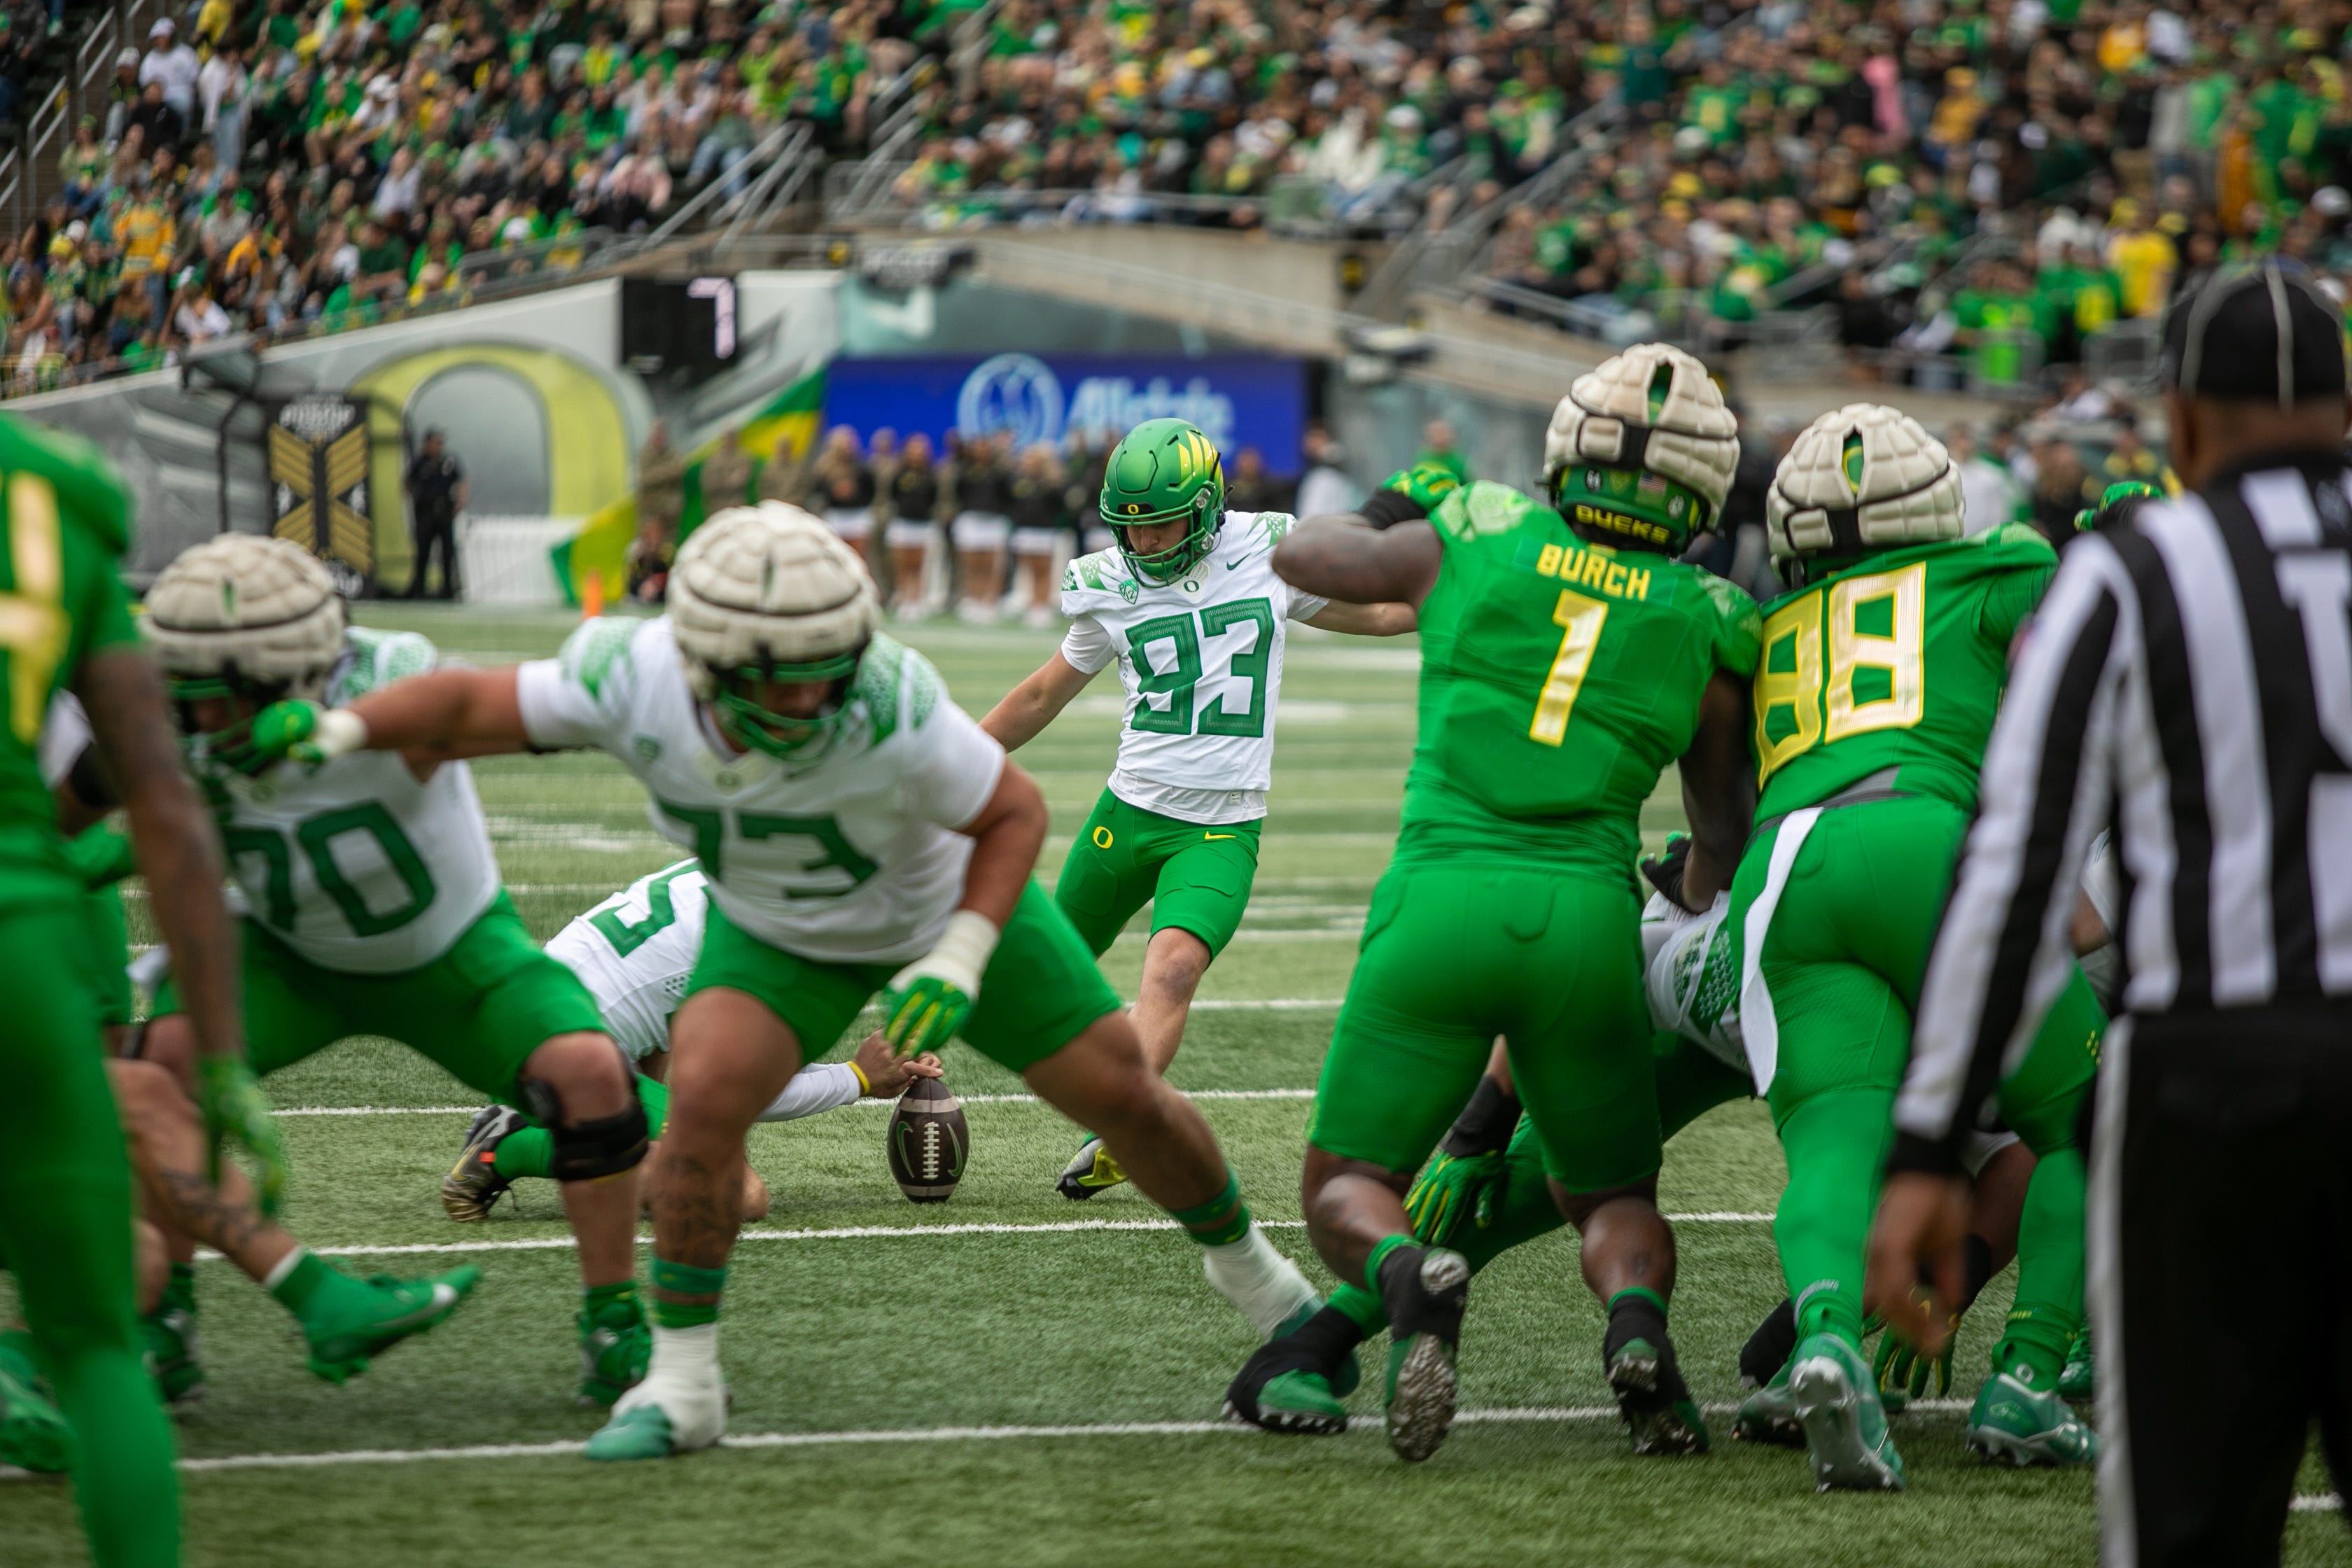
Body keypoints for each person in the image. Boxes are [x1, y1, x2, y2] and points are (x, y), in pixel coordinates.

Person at [233, 503, 1334, 1463]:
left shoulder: (889, 691)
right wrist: (341, 727)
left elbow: (1011, 811)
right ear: (703, 663)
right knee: (702, 1119)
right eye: (782, 674)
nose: (815, 693)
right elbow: (469, 706)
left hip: (930, 897)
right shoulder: (632, 676)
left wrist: (958, 956)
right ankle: (685, 1381)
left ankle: (1262, 1286)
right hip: (774, 924)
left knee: (1122, 1096)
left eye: (830, 663)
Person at [1871, 260, 2352, 1567]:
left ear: (2183, 420)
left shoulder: (2135, 568)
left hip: (2209, 1070)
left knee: (2191, 1522)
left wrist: (1926, 1144)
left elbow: (2015, 869)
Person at [1252, 344, 1760, 1462]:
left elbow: (1306, 553)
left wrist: (1400, 499)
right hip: (1583, 918)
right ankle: (1642, 1342)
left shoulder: (1474, 527)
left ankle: (1406, 1276)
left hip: (1436, 896)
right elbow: (1722, 830)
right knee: (1616, 1195)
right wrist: (1690, 893)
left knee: (1346, 1184)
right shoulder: (1712, 613)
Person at [136, 536, 654, 1410]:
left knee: (592, 1072)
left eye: (228, 696)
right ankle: (163, 1316)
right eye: (191, 695)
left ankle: (614, 1316)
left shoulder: (388, 676)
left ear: (299, 673)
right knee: (160, 1069)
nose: (208, 718)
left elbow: (507, 707)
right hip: (286, 951)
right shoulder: (163, 698)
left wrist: (350, 731)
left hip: (452, 953)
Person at [1724, 404, 2102, 1492]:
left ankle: (1830, 1339)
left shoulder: (1771, 618)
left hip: (1784, 867)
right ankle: (2028, 1377)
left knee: (1836, 1141)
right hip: (1927, 841)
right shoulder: (1994, 566)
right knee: (2086, 1120)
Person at [980, 419, 1413, 1203]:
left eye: (1163, 524)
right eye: (1132, 529)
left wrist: (1478, 595)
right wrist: (957, 761)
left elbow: (1381, 613)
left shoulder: (1269, 553)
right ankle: (909, 1072)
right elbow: (1043, 692)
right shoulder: (1112, 584)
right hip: (1129, 811)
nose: (1145, 545)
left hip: (1221, 824)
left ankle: (1123, 1128)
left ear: (1210, 505)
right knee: (1032, 975)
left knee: (1174, 967)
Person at [0, 412, 281, 1568]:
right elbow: (162, 806)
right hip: (19, 936)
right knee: (97, 1346)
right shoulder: (48, 496)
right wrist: (217, 1055)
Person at [443, 858, 947, 1225]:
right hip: (560, 1047)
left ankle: (568, 1122)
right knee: (741, 1197)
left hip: (540, 1017)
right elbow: (735, 1093)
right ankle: (507, 1147)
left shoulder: (752, 867)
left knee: (667, 1036)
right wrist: (856, 1077)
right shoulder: (780, 936)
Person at [1005, 442, 1070, 627]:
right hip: (1025, 530)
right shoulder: (1019, 481)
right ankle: (1032, 604)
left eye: (1032, 459)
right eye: (1026, 459)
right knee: (1028, 570)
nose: (1027, 463)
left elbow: (1060, 507)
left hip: (1044, 532)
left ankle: (1042, 607)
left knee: (1043, 570)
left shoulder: (1052, 484)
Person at [951, 431, 1012, 621]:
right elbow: (959, 493)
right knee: (971, 564)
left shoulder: (999, 472)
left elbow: (1006, 495)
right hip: (971, 519)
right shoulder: (965, 471)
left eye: (984, 448)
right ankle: (972, 600)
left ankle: (989, 601)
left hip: (993, 521)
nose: (981, 452)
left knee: (991, 564)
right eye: (977, 448)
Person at [883, 431, 941, 618]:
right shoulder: (899, 473)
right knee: (903, 565)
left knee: (918, 565)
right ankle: (904, 599)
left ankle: (917, 601)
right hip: (902, 524)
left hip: (923, 525)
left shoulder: (931, 475)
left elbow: (935, 498)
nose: (917, 453)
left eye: (921, 450)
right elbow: (892, 495)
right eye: (914, 449)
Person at [403, 428, 465, 600]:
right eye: (436, 443)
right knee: (423, 552)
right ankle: (419, 589)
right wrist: (417, 499)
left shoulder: (448, 462)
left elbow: (461, 482)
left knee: (447, 552)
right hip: (425, 515)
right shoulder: (419, 463)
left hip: (444, 514)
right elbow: (407, 483)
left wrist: (459, 503)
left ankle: (448, 590)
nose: (439, 446)